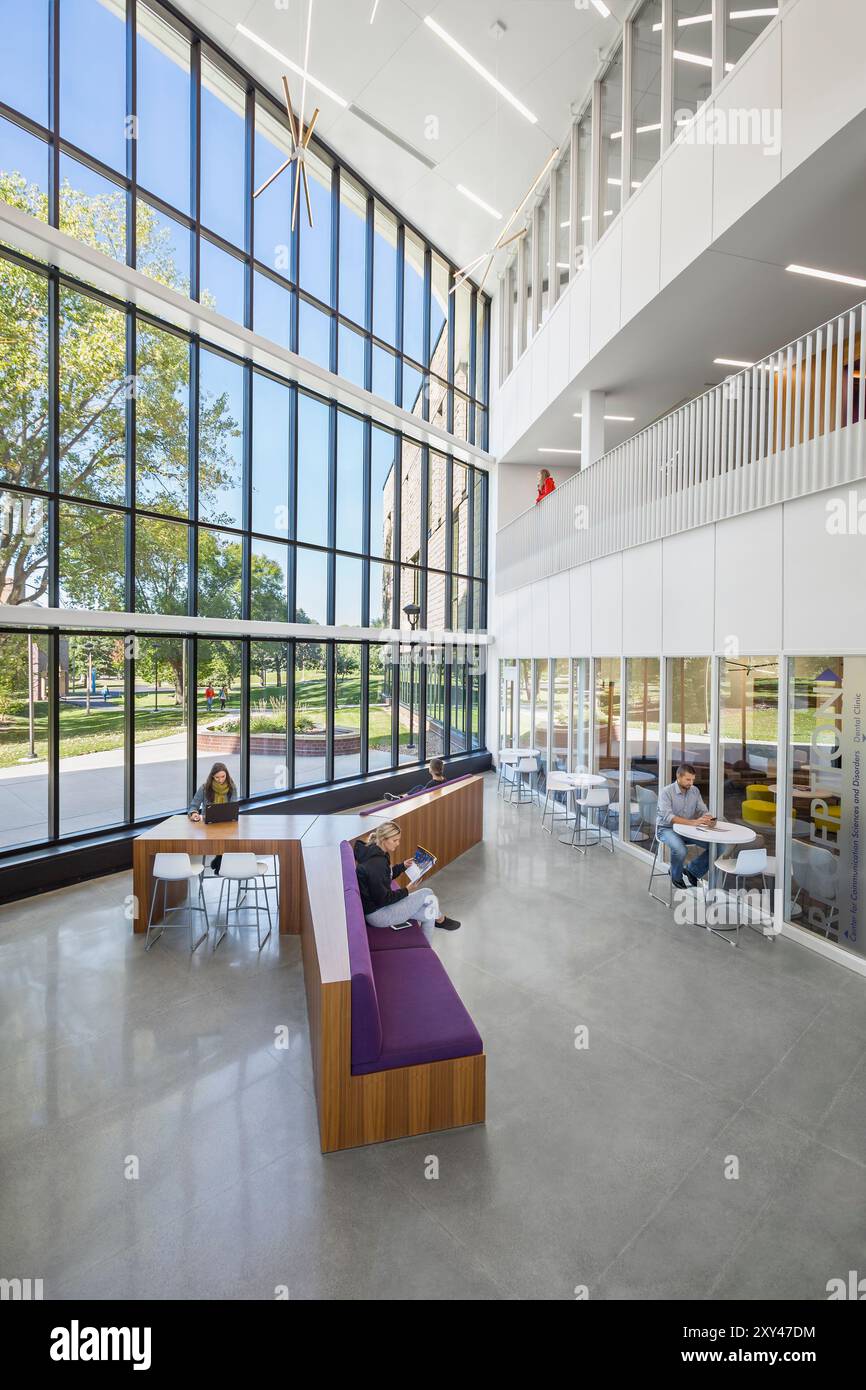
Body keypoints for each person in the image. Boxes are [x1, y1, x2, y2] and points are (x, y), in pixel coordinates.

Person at [354, 822, 460, 941]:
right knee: (427, 892)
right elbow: (383, 899)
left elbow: (383, 877)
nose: (398, 843)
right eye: (395, 840)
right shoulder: (376, 864)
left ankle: (426, 952)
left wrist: (402, 866)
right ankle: (441, 920)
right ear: (383, 839)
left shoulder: (376, 851)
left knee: (430, 913)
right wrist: (407, 890)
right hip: (378, 915)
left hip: (380, 908)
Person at [656, 762, 714, 889]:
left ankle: (693, 870)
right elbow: (668, 817)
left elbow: (702, 809)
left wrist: (707, 817)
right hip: (666, 829)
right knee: (680, 850)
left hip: (688, 830)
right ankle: (676, 875)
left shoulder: (694, 791)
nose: (691, 783)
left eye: (693, 780)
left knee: (716, 847)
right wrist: (693, 822)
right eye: (688, 779)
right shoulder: (666, 792)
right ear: (678, 776)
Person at [189, 762, 237, 875]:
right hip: (209, 825)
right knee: (222, 838)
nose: (220, 780)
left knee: (228, 836)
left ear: (227, 775)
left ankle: (219, 858)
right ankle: (220, 859)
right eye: (217, 777)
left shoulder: (232, 787)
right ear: (212, 777)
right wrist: (194, 813)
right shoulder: (205, 788)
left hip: (227, 824)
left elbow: (233, 807)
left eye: (223, 776)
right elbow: (193, 806)